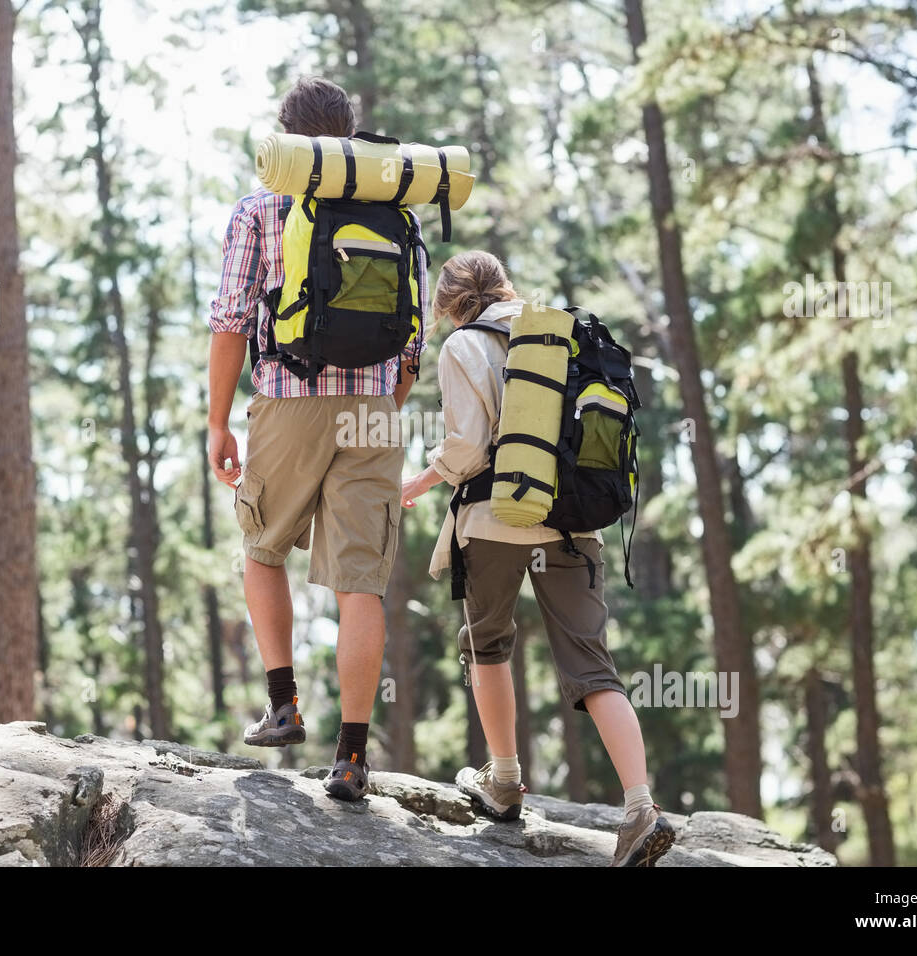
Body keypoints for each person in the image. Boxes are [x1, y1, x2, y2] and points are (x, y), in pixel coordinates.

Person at [400, 250, 674, 865]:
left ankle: (503, 781)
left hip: (495, 518)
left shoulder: (463, 347)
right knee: (592, 665)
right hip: (573, 519)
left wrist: (415, 484)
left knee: (487, 644)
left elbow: (467, 450)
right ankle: (639, 807)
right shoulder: (564, 331)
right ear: (502, 284)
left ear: (449, 302)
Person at [206, 76, 426, 801]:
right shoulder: (396, 211)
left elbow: (231, 321)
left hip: (289, 401)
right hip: (374, 406)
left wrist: (217, 423)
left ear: (286, 137)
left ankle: (283, 705)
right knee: (360, 583)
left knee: (262, 547)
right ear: (349, 131)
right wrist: (383, 406)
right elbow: (414, 338)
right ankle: (354, 758)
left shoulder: (263, 207)